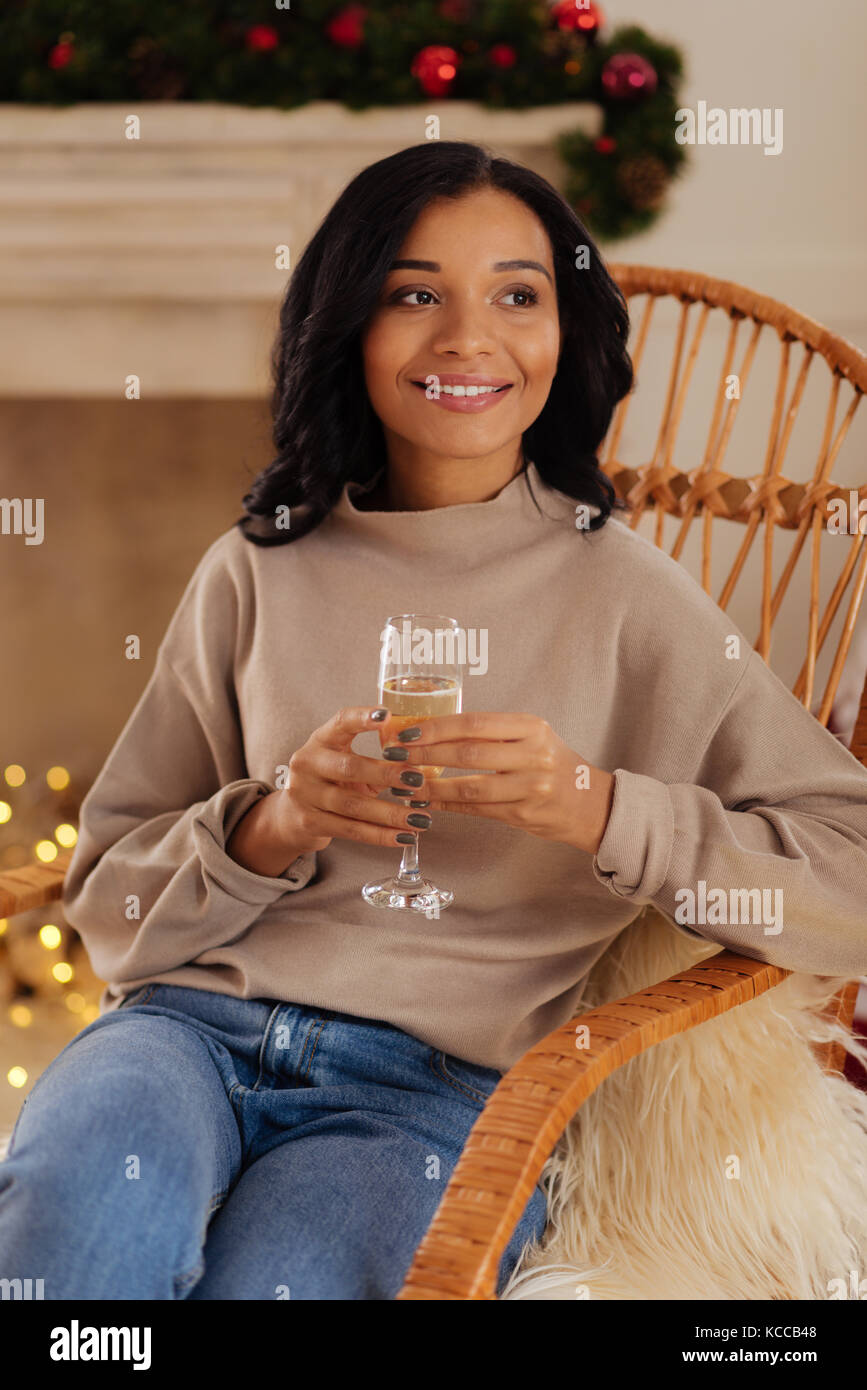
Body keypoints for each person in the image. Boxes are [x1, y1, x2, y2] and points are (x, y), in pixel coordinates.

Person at [2, 142, 866, 1301]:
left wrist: (598, 808)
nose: (469, 337)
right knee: (71, 1243)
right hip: (183, 1035)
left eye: (519, 295)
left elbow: (850, 877)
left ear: (567, 339)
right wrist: (272, 824)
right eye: (416, 294)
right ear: (349, 324)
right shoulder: (253, 574)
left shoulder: (627, 596)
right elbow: (108, 902)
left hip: (430, 1091)